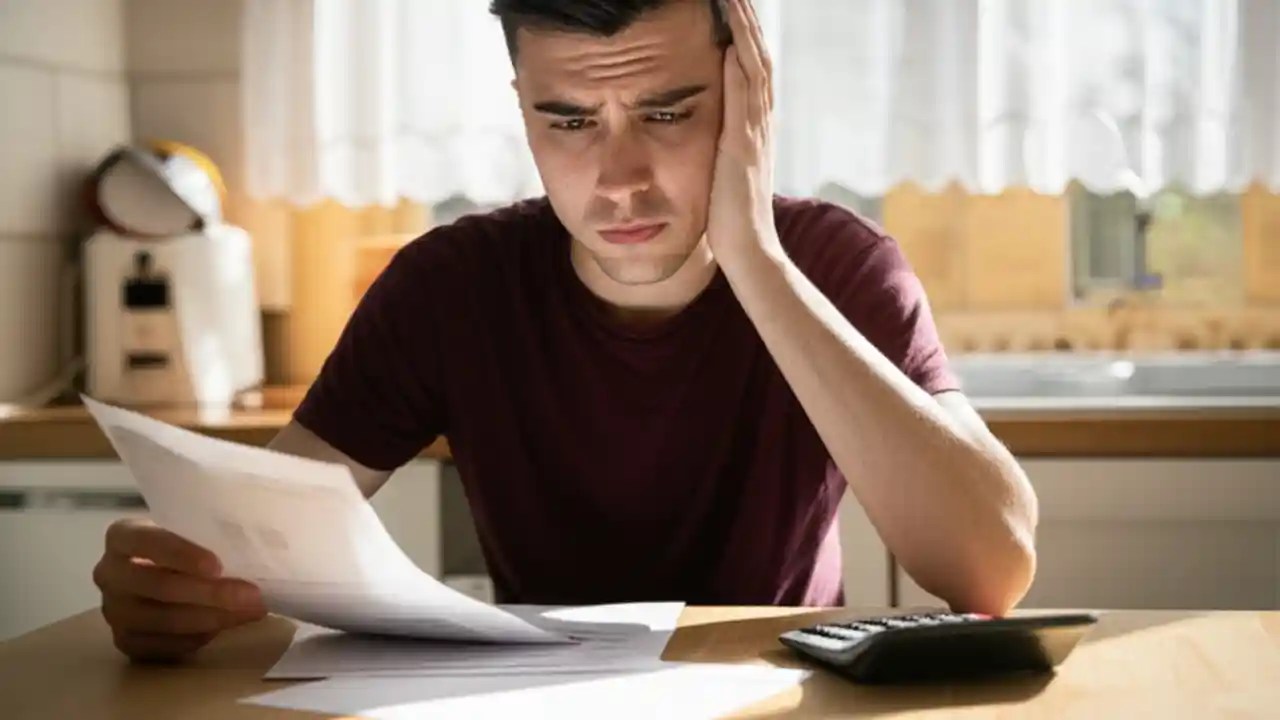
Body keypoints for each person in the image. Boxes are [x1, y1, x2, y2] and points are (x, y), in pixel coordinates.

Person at [93, 0, 1039, 662]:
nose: (620, 180)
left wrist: (753, 258)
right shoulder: (449, 285)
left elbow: (992, 570)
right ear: (522, 109)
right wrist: (175, 584)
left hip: (780, 695)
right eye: (571, 121)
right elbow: (249, 542)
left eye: (667, 113)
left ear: (748, 99)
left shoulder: (838, 265)